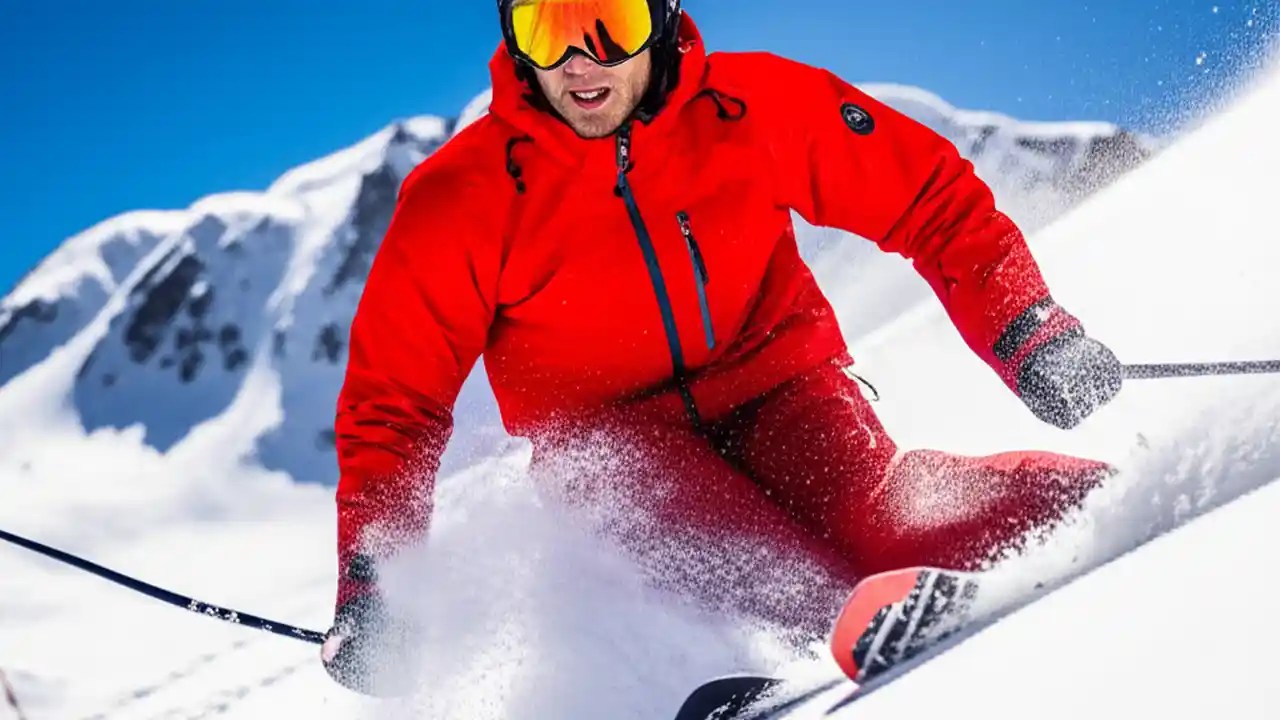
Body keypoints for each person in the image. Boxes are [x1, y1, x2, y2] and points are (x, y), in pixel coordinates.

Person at [321, 0, 1124, 694]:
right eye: (545, 27)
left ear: (661, 18)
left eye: (610, 21)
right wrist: (374, 587)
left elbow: (927, 199)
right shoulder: (462, 199)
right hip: (613, 448)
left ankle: (1111, 496)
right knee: (776, 578)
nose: (578, 59)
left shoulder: (751, 107)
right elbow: (394, 405)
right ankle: (772, 654)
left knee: (896, 527)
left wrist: (1031, 332)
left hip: (783, 390)